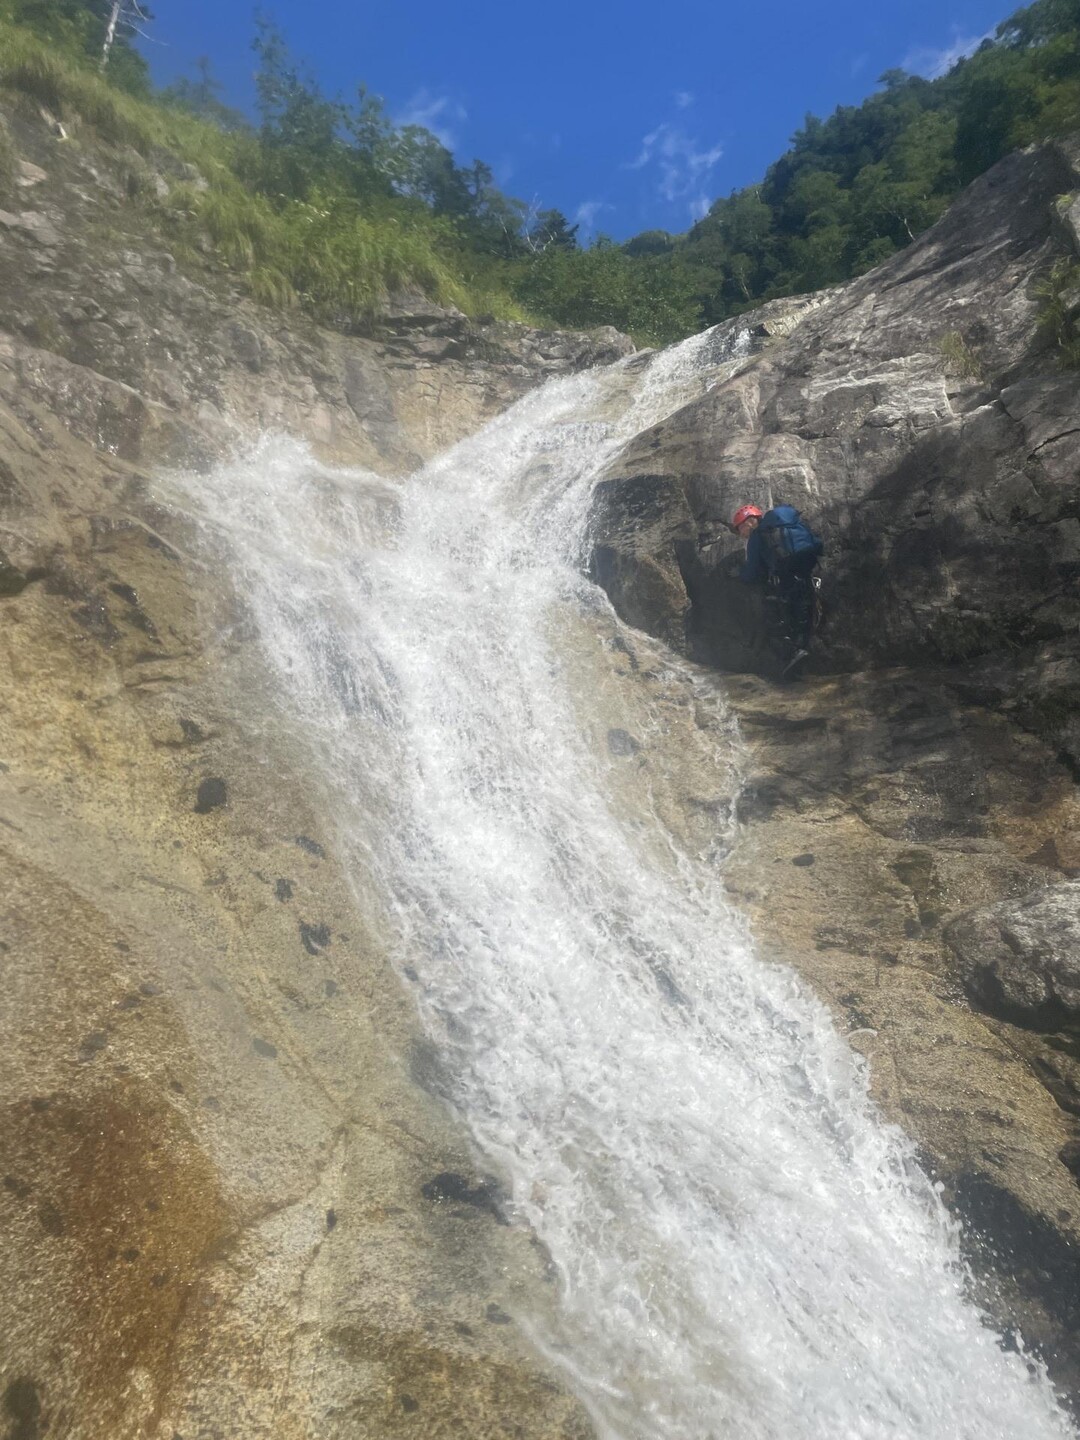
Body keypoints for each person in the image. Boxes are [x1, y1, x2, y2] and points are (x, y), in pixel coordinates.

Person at [732, 503, 824, 676]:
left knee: (777, 620)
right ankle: (799, 656)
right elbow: (816, 543)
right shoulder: (790, 525)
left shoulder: (757, 537)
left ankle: (793, 654)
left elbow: (753, 572)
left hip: (786, 580)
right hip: (807, 575)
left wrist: (739, 574)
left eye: (740, 529)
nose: (741, 534)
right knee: (803, 618)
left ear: (748, 523)